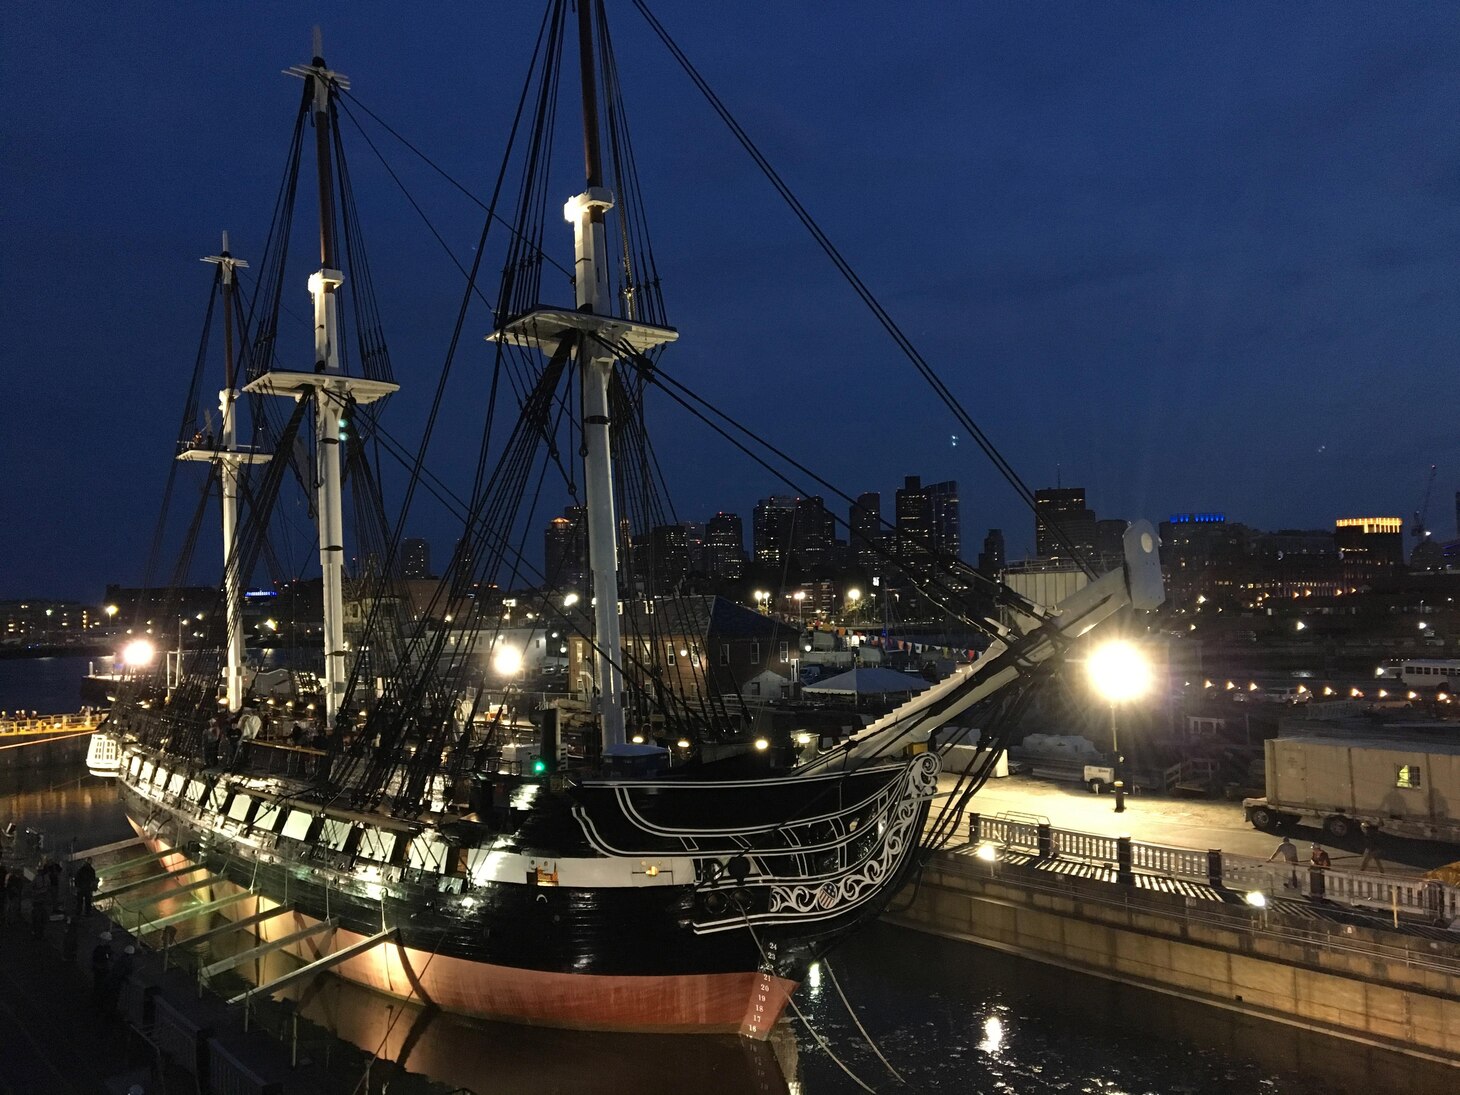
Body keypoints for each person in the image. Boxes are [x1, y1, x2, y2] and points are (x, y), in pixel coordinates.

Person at [90, 931, 113, 1008]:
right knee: (100, 985)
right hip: (101, 970)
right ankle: (99, 1001)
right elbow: (105, 958)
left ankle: (97, 1000)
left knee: (99, 985)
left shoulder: (100, 949)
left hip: (100, 970)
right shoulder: (101, 950)